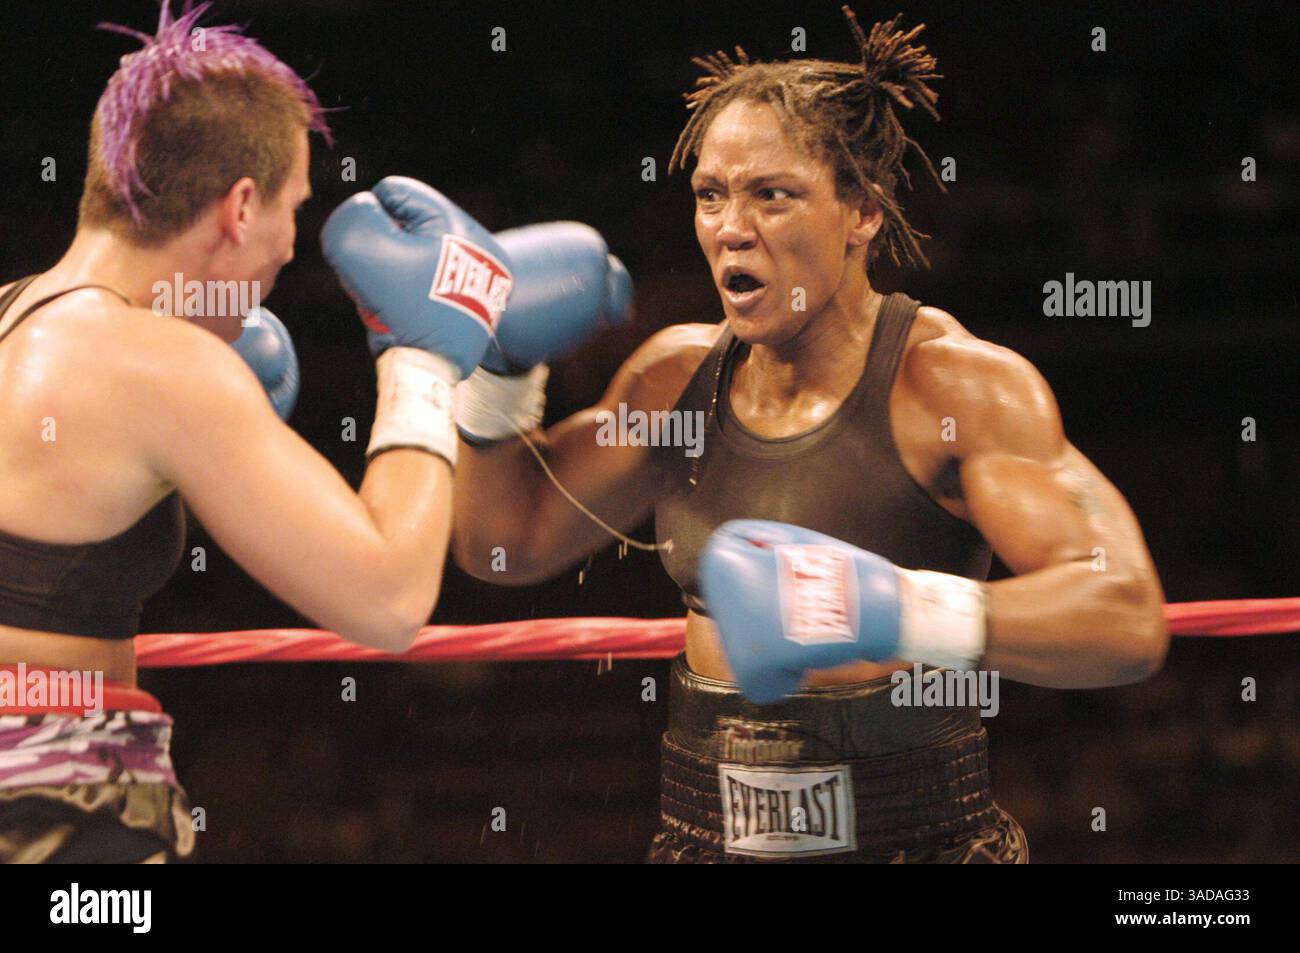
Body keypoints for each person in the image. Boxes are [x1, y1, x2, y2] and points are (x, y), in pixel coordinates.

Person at [451, 9, 1168, 863]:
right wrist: (493, 378)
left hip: (921, 837)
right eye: (710, 194)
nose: (730, 226)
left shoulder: (955, 387)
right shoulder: (673, 384)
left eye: (772, 193)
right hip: (704, 835)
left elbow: (1124, 615)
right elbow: (504, 541)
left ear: (860, 211)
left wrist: (894, 610)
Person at [0, 2, 512, 863]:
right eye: (293, 210)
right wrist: (422, 363)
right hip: (49, 805)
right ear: (240, 206)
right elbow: (387, 599)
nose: (287, 250)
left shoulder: (17, 317)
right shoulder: (158, 363)